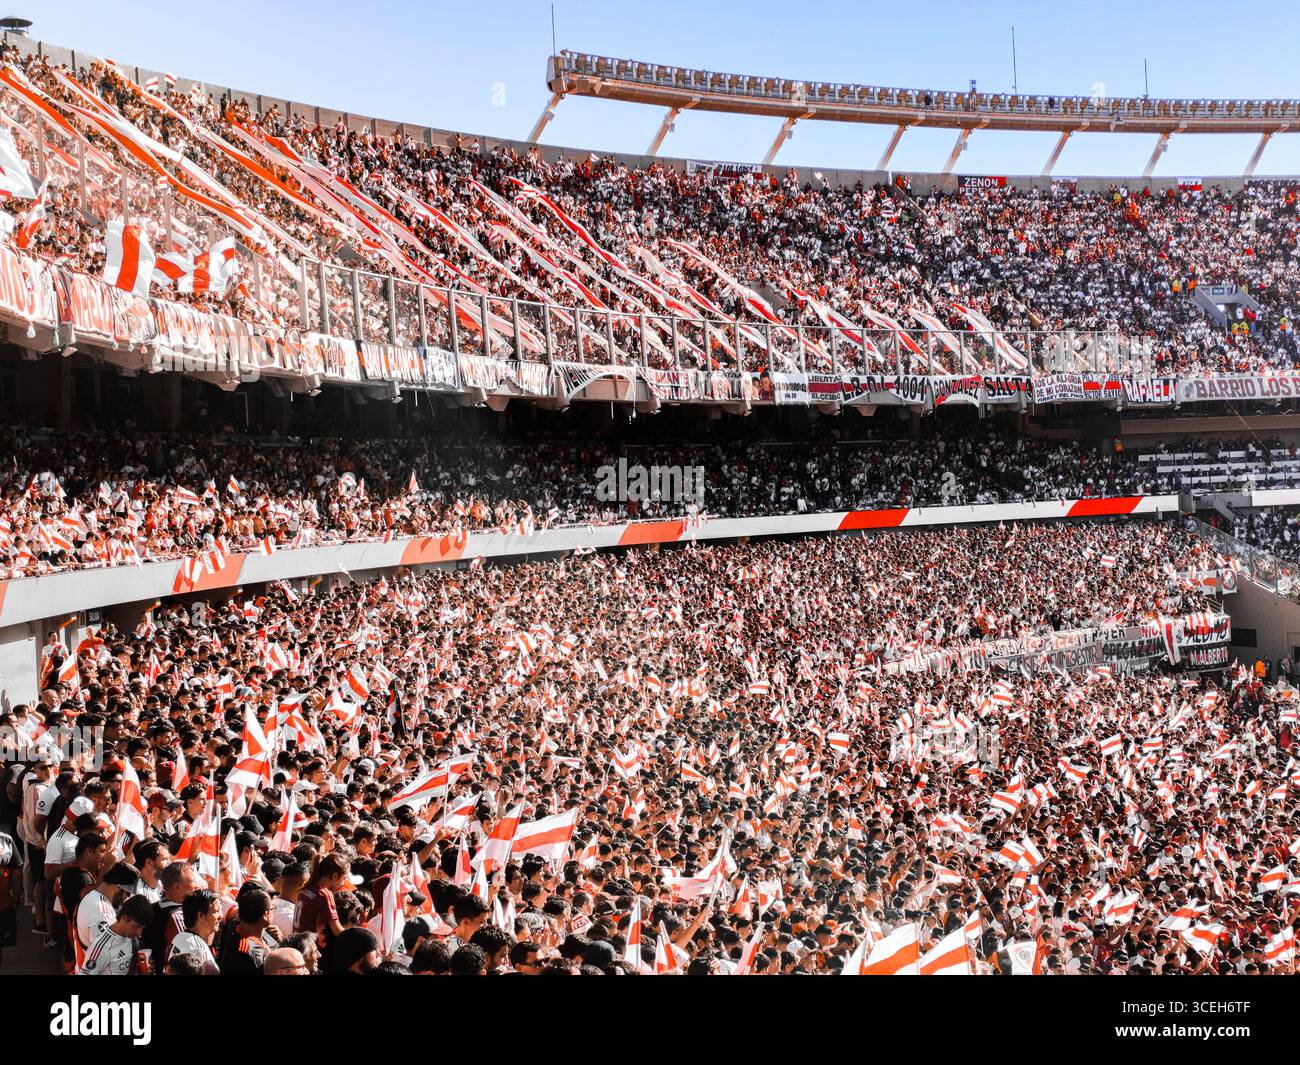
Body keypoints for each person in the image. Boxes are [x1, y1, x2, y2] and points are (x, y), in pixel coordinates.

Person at [78, 894, 153, 976]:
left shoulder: (132, 939)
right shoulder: (103, 947)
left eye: (142, 928)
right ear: (125, 917)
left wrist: (139, 968)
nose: (139, 933)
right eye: (136, 927)